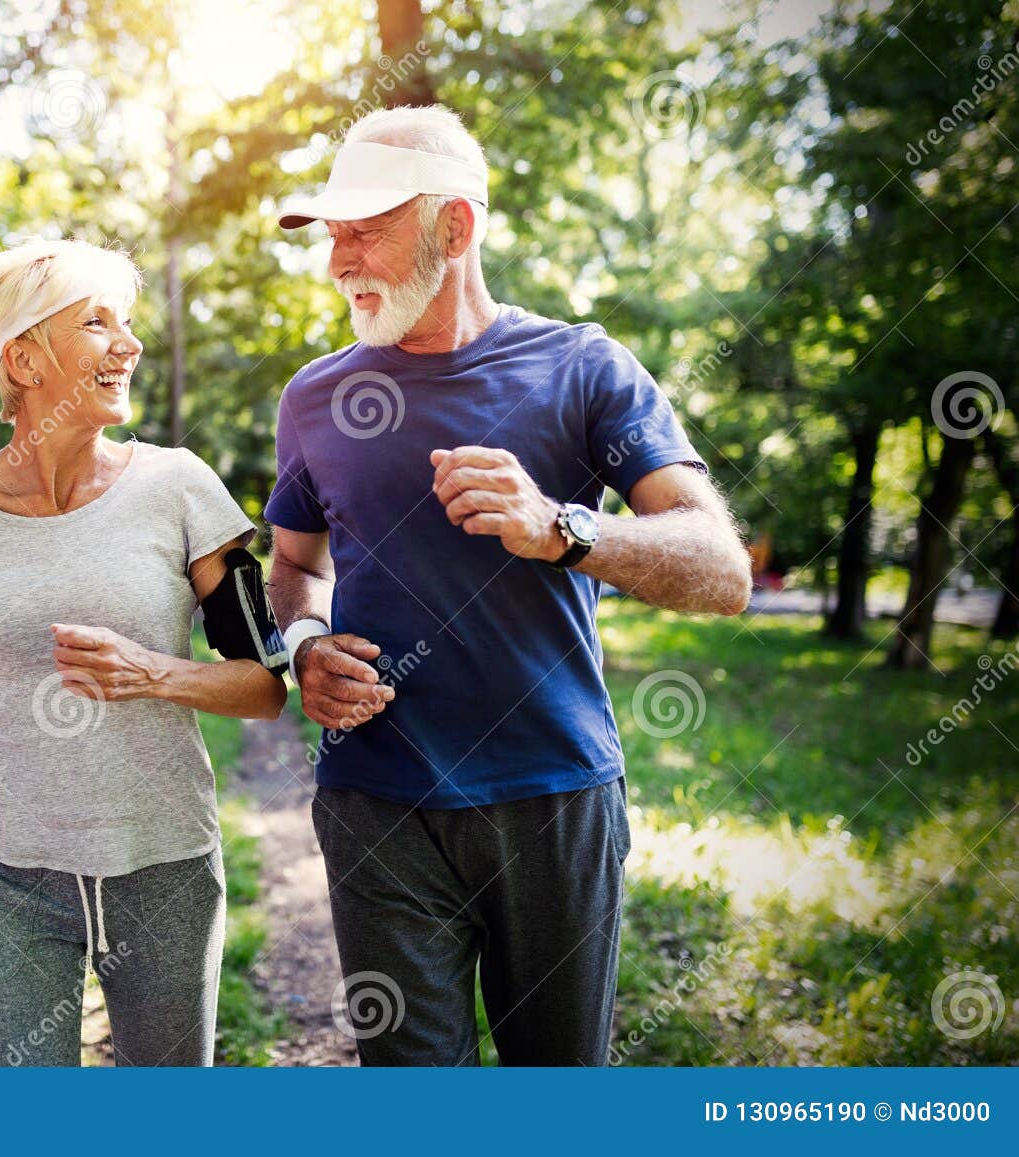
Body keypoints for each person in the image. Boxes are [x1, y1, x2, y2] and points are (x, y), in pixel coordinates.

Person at [264, 106, 752, 1066]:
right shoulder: (314, 397)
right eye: (332, 235)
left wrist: (561, 528)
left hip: (553, 796)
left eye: (365, 230)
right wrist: (303, 646)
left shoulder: (584, 368)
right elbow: (295, 568)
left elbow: (722, 569)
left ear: (457, 227)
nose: (338, 261)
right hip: (377, 801)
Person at [0, 237, 288, 1066]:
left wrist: (153, 674)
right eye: (98, 323)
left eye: (130, 321)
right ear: (26, 360)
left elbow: (263, 685)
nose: (130, 344)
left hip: (164, 866)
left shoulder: (179, 488)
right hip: (4, 867)